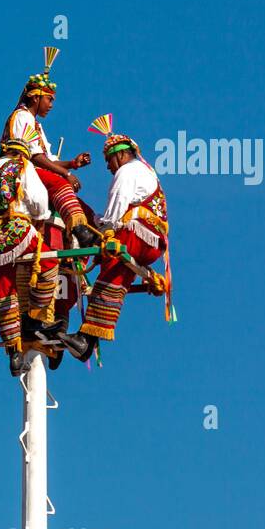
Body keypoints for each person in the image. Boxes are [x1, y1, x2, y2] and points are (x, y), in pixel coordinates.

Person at [59, 116, 171, 361]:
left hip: (139, 234)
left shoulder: (127, 172)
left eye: (108, 160)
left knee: (110, 272)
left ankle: (86, 340)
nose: (108, 167)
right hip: (151, 242)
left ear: (119, 155)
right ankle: (86, 340)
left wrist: (106, 233)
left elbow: (117, 207)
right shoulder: (145, 172)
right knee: (114, 276)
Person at [0, 124, 61, 376]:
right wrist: (40, 218)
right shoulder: (24, 166)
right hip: (17, 231)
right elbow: (38, 200)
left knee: (3, 293)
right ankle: (35, 319)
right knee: (48, 262)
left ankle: (13, 353)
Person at [1, 47, 96, 251]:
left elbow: (46, 158)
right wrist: (65, 173)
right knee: (60, 182)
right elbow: (35, 157)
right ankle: (79, 230)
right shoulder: (22, 117)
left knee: (75, 199)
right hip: (18, 171)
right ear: (35, 98)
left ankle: (92, 233)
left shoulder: (37, 125)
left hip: (33, 170)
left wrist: (72, 163)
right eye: (49, 99)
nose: (51, 105)